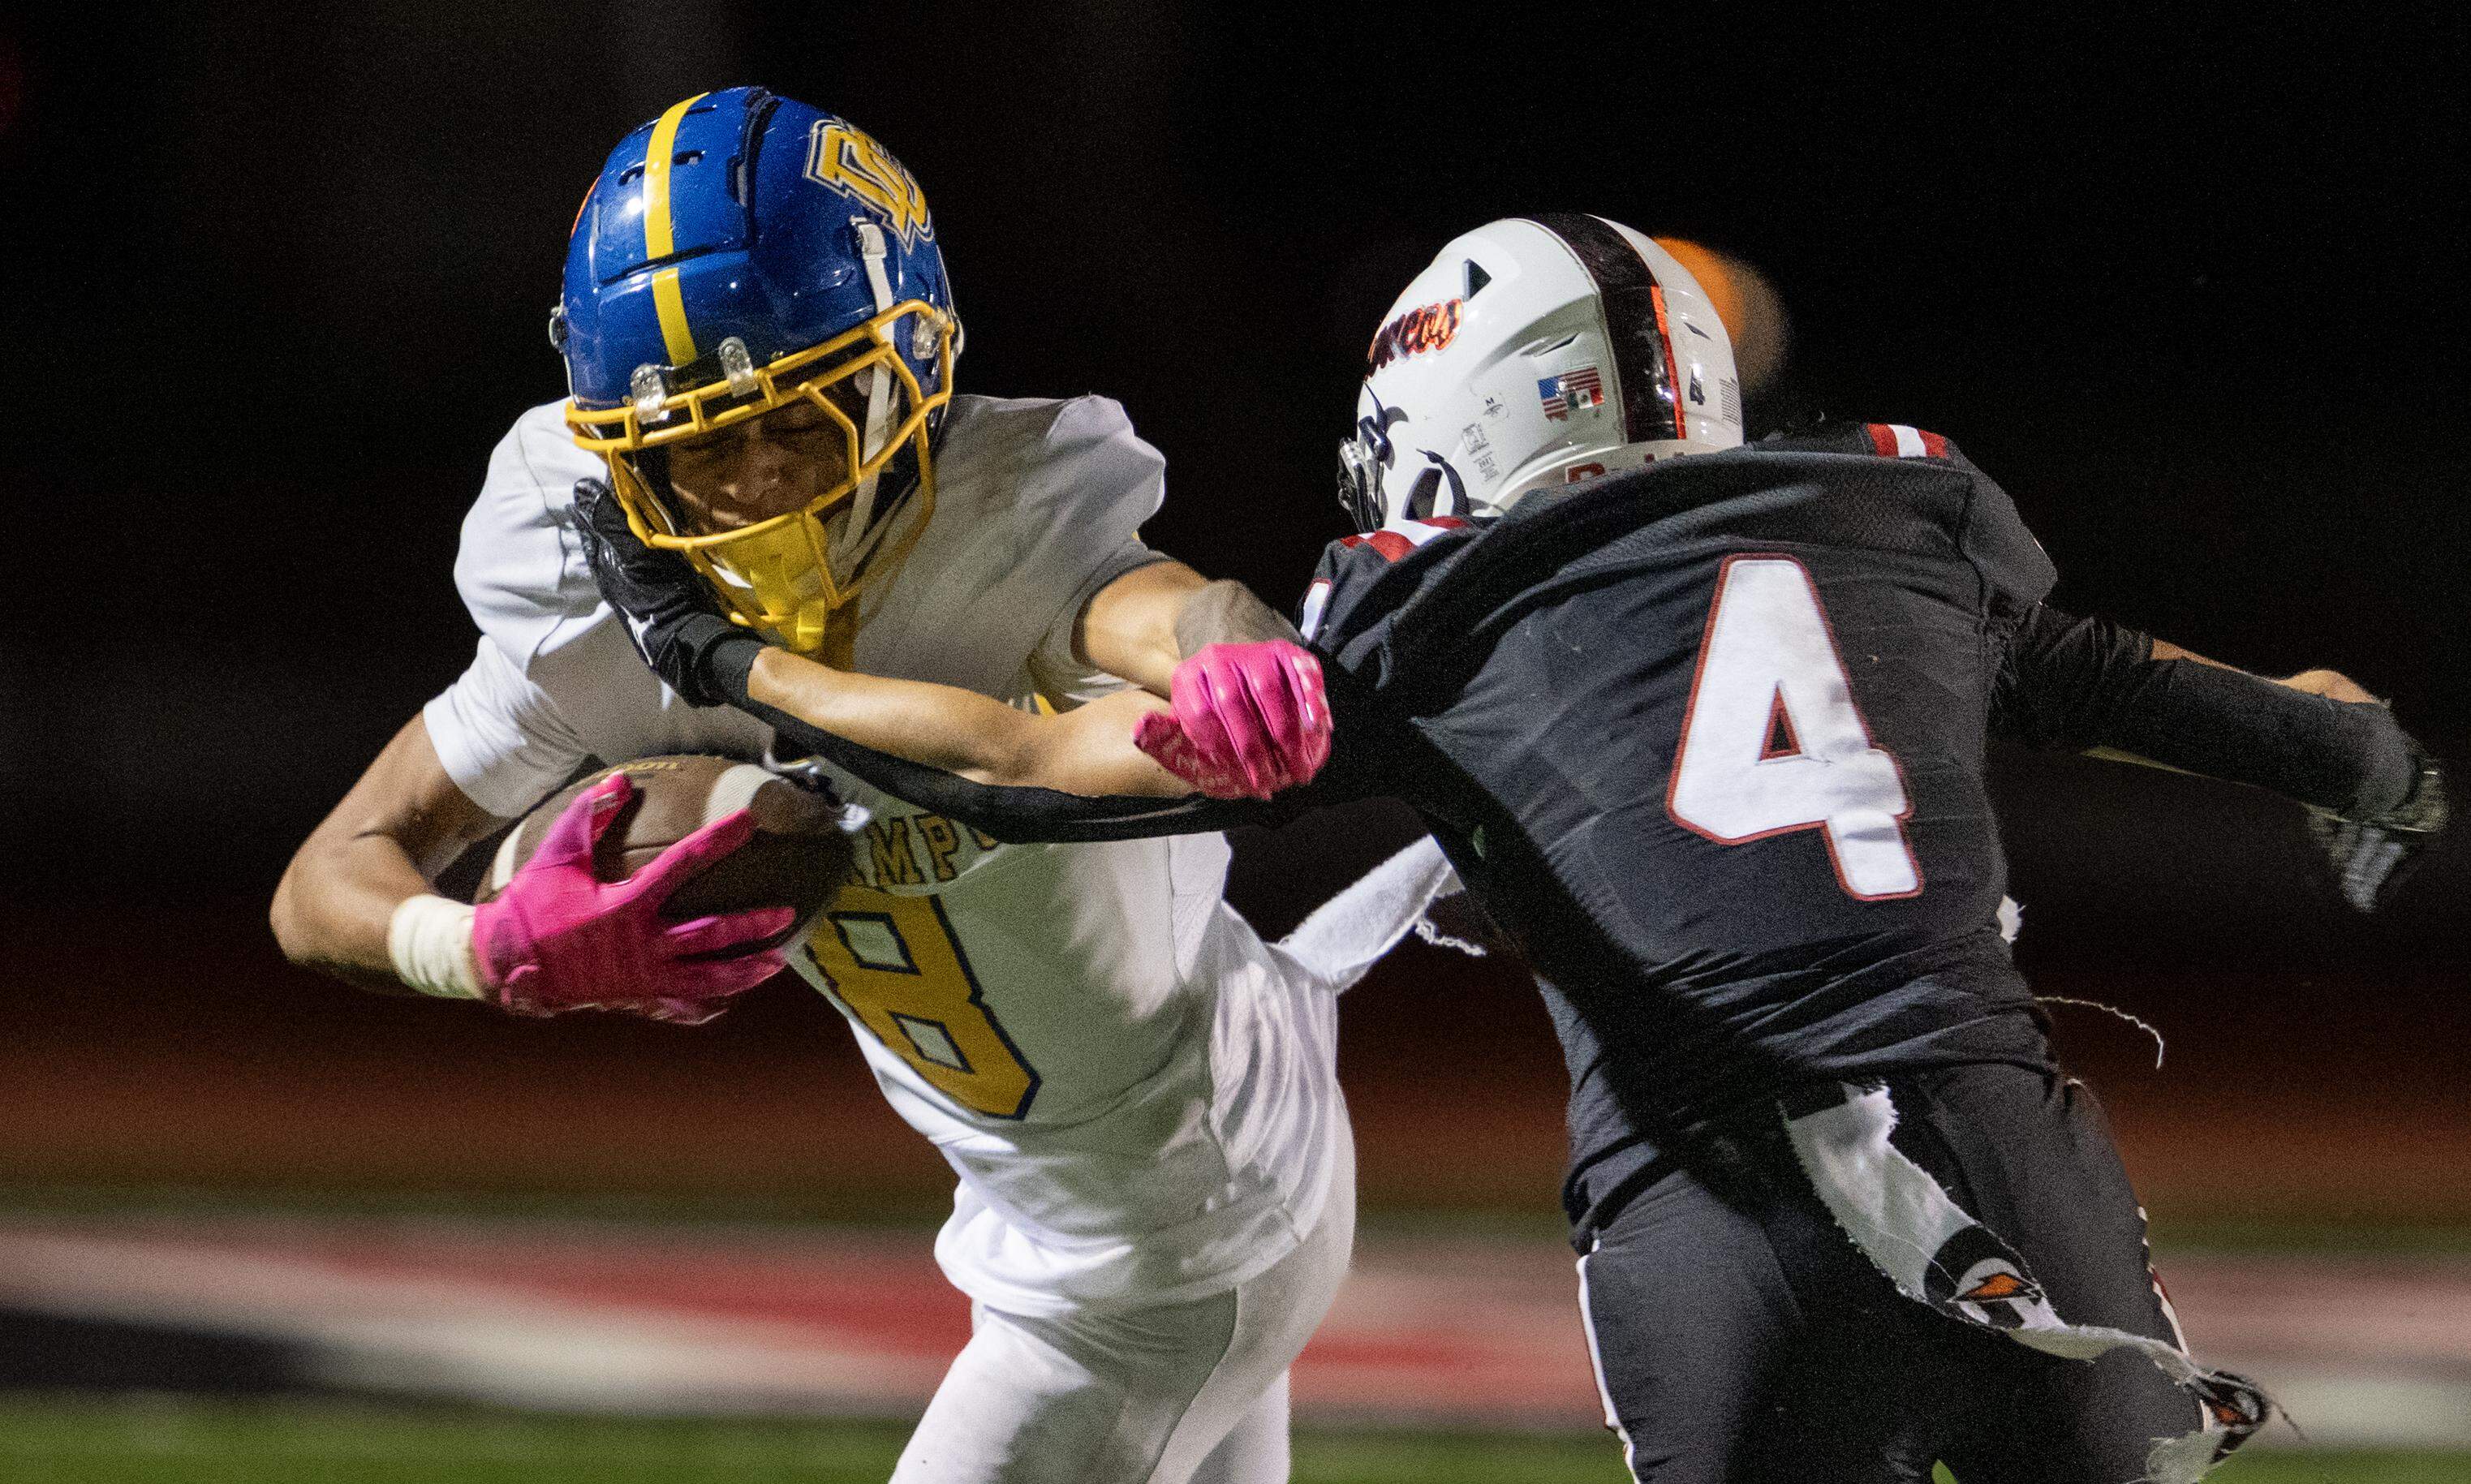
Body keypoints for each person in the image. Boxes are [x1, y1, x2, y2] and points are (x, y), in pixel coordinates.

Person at [598, 214, 2443, 1482]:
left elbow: (1016, 774)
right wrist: (2364, 768)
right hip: (2000, 1168)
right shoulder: (1901, 517)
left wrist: (712, 657)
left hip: (1706, 1223)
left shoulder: (1430, 608)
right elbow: (2216, 697)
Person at [270, 87, 1444, 1484]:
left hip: (1170, 1232)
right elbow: (327, 876)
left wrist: (1230, 649)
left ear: (912, 374)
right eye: (701, 446)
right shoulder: (592, 586)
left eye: (805, 427)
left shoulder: (1003, 517)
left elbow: (1165, 616)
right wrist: (484, 946)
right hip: (1107, 1191)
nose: (756, 491)